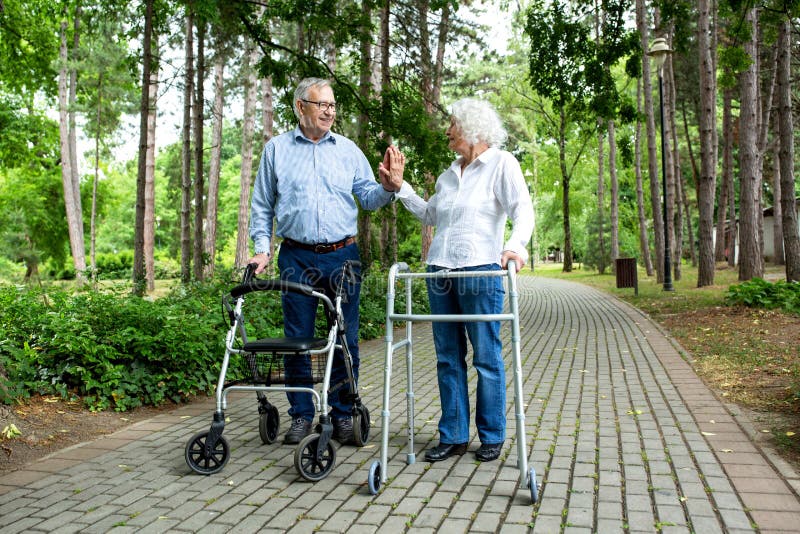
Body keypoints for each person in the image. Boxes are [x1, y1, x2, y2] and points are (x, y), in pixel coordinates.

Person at [380, 98, 534, 462]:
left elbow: (522, 209)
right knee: (448, 357)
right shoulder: (450, 175)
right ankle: (453, 435)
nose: (447, 131)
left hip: (480, 271)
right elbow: (429, 214)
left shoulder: (501, 164)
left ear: (471, 127)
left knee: (486, 357)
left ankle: (492, 435)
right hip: (440, 272)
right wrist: (400, 187)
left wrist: (515, 247)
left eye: (451, 123)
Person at [248, 77, 401, 445]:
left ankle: (343, 414)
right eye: (322, 105)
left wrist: (389, 189)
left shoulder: (347, 150)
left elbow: (367, 196)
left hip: (342, 256)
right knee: (297, 339)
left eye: (333, 106)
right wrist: (262, 248)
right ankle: (301, 415)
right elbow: (262, 206)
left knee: (344, 338)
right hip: (296, 256)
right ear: (301, 106)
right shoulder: (276, 150)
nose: (330, 111)